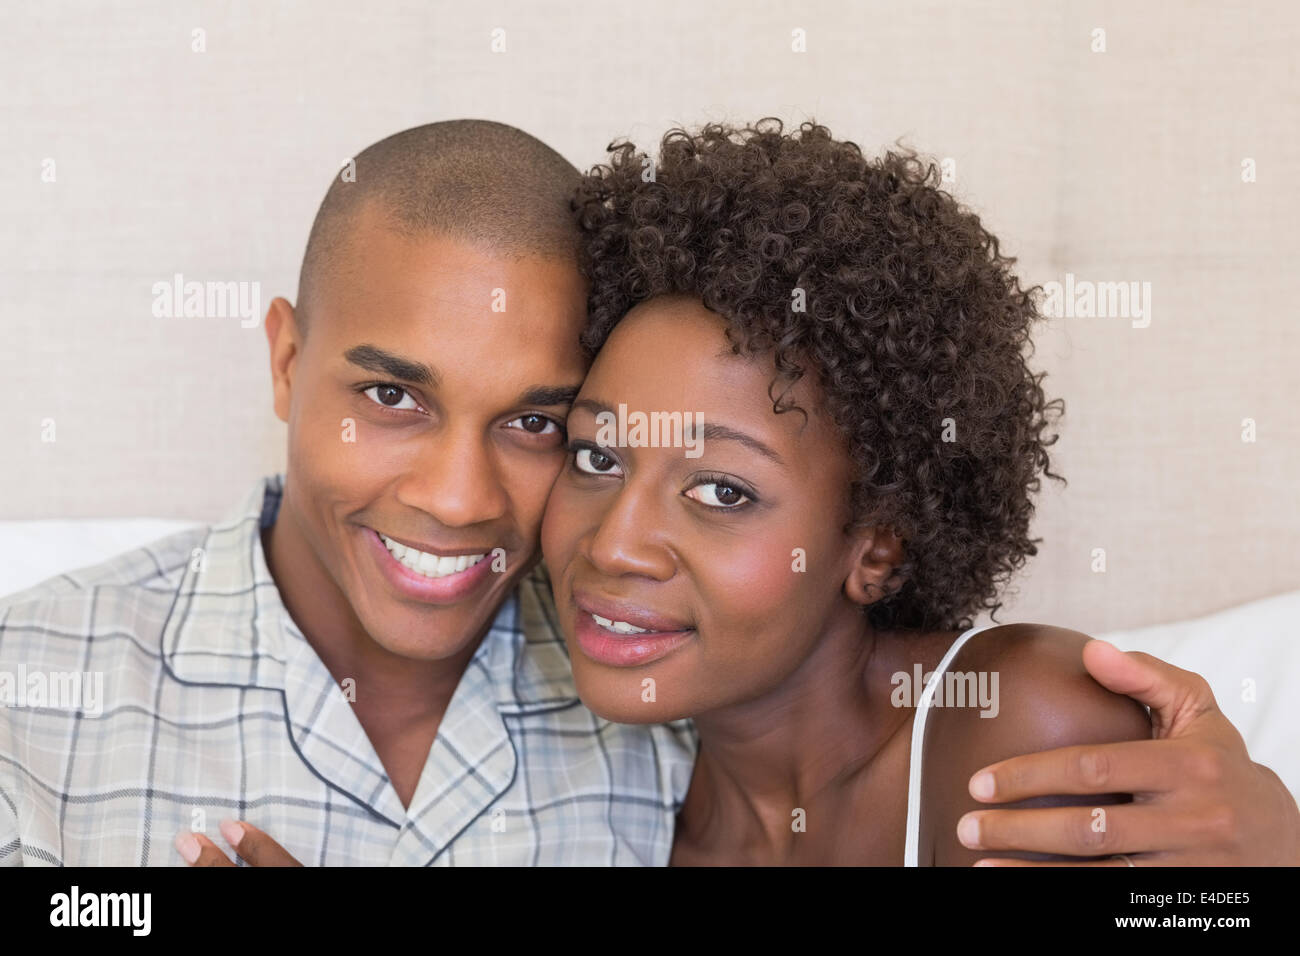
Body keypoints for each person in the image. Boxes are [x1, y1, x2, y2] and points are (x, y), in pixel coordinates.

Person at [4, 121, 1293, 868]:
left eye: (537, 426)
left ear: (876, 543)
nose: (614, 542)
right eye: (604, 456)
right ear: (285, 362)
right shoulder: (671, 786)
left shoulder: (1012, 729)